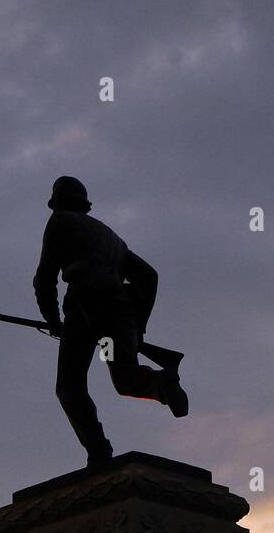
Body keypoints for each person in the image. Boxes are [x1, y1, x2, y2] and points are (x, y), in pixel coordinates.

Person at [33, 176, 188, 466]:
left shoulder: (60, 222)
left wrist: (53, 319)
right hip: (118, 314)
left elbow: (44, 279)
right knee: (126, 379)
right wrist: (137, 327)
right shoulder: (111, 237)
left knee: (70, 387)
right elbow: (149, 277)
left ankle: (99, 450)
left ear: (59, 202)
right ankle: (161, 384)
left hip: (84, 310)